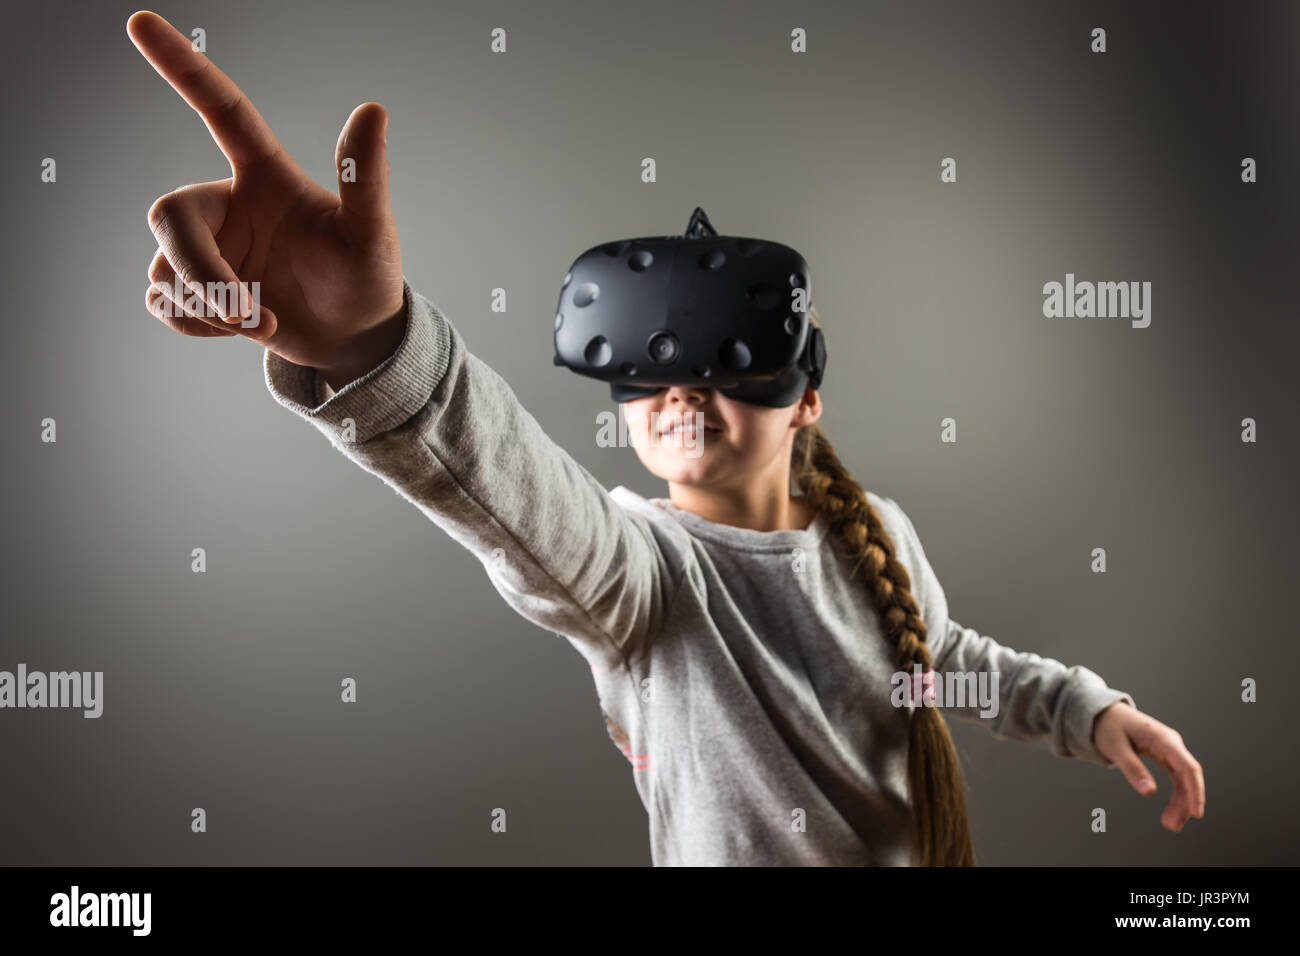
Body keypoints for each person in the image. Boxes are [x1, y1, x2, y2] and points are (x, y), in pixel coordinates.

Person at [126, 10, 1206, 865]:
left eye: (727, 365)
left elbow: (931, 674)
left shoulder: (876, 534)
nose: (682, 393)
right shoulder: (639, 574)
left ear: (807, 398)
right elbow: (506, 492)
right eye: (646, 374)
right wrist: (372, 343)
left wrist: (1083, 709)